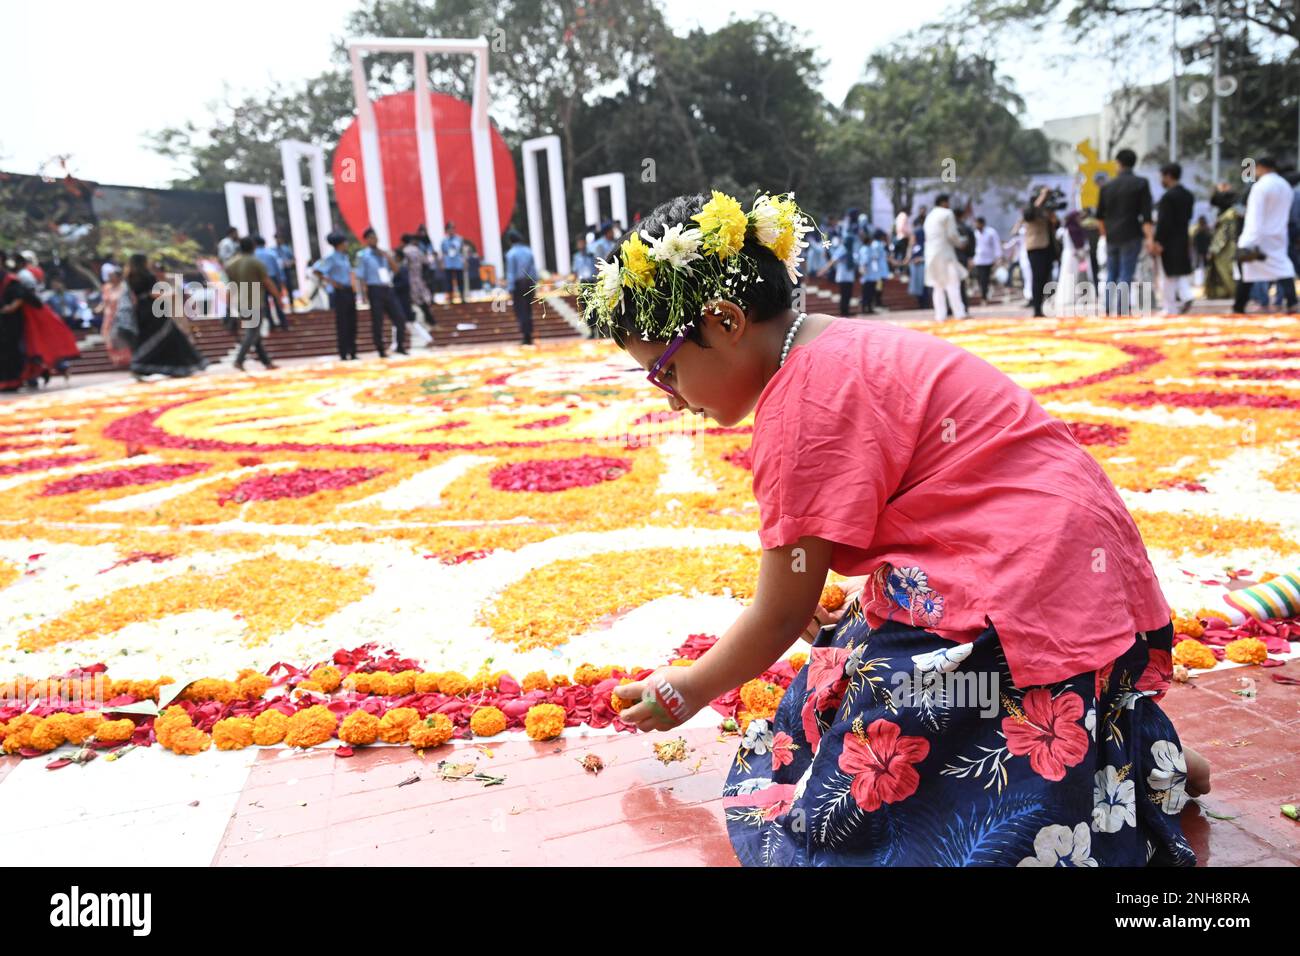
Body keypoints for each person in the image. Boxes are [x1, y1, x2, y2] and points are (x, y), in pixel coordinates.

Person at [576, 189, 1203, 867]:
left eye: (663, 371)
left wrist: (689, 688)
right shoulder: (838, 342)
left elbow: (779, 611)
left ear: (726, 320)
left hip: (1027, 581)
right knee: (853, 630)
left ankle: (1097, 769)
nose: (669, 399)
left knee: (851, 789)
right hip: (1082, 562)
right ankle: (1143, 755)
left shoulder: (798, 406)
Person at [1234, 155, 1297, 314]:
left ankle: (1238, 306)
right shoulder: (1284, 185)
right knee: (1283, 269)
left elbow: (1254, 215)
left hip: (1259, 236)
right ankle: (1292, 301)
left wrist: (1248, 239)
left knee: (1247, 270)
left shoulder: (1261, 186)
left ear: (1261, 167)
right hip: (1278, 234)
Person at [1096, 148, 1154, 313]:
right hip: (1131, 233)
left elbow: (1099, 216)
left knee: (1111, 273)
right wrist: (1149, 238)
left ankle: (1108, 307)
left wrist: (1104, 234)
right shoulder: (1141, 183)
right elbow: (1146, 215)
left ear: (1118, 163)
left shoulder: (1107, 186)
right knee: (1126, 272)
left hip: (1111, 235)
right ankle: (1122, 309)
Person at [222, 237, 279, 372]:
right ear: (253, 247)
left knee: (254, 332)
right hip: (255, 300)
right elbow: (267, 282)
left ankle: (267, 362)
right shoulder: (256, 263)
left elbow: (230, 286)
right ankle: (239, 360)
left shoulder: (231, 264)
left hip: (240, 302)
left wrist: (228, 304)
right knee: (252, 332)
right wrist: (278, 297)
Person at [359, 227, 409, 356]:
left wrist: (387, 257)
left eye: (375, 237)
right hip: (374, 289)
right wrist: (363, 295)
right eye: (371, 238)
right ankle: (380, 349)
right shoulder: (363, 255)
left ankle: (400, 345)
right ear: (366, 240)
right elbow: (361, 276)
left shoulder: (384, 254)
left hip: (388, 288)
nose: (374, 240)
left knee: (400, 318)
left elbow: (396, 270)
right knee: (378, 320)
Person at [1153, 162, 1195, 316]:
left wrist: (1158, 241)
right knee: (1177, 272)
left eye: (1162, 177)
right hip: (1182, 236)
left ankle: (1170, 307)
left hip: (1169, 240)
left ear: (1168, 176)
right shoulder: (1188, 195)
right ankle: (1185, 296)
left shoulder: (1168, 197)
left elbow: (1164, 222)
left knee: (1168, 274)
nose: (1161, 180)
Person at [312, 232, 358, 361]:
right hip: (339, 292)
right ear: (339, 244)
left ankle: (353, 351)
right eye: (345, 242)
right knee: (342, 323)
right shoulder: (331, 258)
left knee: (352, 322)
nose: (347, 244)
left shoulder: (345, 257)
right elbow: (316, 270)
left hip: (349, 291)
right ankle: (343, 353)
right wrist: (332, 282)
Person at [924, 195, 969, 321]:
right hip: (945, 254)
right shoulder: (947, 213)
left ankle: (940, 316)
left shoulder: (929, 216)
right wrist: (961, 243)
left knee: (938, 287)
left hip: (931, 255)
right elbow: (952, 235)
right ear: (943, 202)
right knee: (953, 284)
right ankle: (959, 313)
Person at [1023, 187, 1059, 317]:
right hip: (1036, 248)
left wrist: (1053, 218)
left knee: (1046, 278)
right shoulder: (1030, 208)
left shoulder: (1047, 210)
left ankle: (1045, 306)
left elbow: (1056, 224)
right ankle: (1037, 309)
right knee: (1037, 278)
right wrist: (1042, 196)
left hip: (1048, 248)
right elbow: (1029, 215)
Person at [1205, 185, 1241, 300]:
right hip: (1228, 246)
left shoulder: (1228, 216)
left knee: (1226, 270)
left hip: (1226, 248)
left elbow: (1223, 236)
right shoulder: (1232, 213)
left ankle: (1232, 291)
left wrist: (1213, 249)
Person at [504, 229, 539, 346]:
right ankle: (529, 334)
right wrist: (535, 284)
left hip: (519, 284)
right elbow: (533, 270)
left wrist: (510, 287)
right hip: (529, 282)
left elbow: (511, 273)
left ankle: (526, 335)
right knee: (528, 310)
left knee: (520, 310)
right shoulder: (528, 251)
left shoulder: (511, 254)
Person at [97, 265, 133, 369]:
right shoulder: (106, 287)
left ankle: (127, 360)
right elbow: (104, 302)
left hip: (122, 316)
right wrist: (98, 309)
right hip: (109, 317)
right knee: (109, 339)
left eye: (112, 276)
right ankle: (116, 360)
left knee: (122, 338)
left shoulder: (125, 287)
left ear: (118, 277)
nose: (109, 278)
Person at [401, 233, 437, 330]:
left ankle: (417, 320)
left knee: (414, 301)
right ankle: (428, 320)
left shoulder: (404, 251)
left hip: (409, 280)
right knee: (422, 300)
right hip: (419, 278)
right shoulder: (417, 250)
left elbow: (403, 266)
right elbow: (427, 262)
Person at [253, 236, 289, 330]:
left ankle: (271, 325)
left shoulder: (253, 255)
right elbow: (279, 268)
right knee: (277, 301)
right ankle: (284, 324)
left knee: (265, 304)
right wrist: (282, 280)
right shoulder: (272, 253)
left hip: (259, 280)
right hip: (273, 279)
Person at [856, 229, 890, 315]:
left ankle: (869, 307)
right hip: (867, 275)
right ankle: (865, 308)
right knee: (866, 293)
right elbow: (864, 261)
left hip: (872, 274)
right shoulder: (865, 249)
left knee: (871, 292)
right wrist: (863, 269)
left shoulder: (870, 248)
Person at [826, 231, 858, 317]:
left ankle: (846, 310)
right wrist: (824, 270)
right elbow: (833, 260)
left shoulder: (852, 250)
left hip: (850, 277)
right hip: (842, 276)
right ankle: (843, 312)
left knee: (849, 294)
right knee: (844, 295)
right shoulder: (842, 249)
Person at [972, 216, 1000, 303]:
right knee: (979, 278)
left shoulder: (991, 232)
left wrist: (998, 257)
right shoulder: (974, 233)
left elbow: (996, 245)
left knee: (985, 278)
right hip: (978, 260)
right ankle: (984, 294)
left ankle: (984, 297)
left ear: (982, 224)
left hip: (988, 260)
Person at [440, 223, 466, 304]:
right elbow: (443, 253)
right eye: (449, 229)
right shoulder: (444, 241)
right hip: (448, 263)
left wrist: (464, 261)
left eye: (452, 229)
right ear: (446, 230)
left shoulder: (459, 239)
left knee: (460, 280)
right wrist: (442, 263)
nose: (451, 231)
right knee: (449, 281)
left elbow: (462, 251)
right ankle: (451, 298)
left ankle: (462, 297)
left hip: (458, 262)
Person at [1191, 216, 1213, 282]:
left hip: (1199, 249)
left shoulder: (1197, 230)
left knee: (1198, 264)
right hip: (1204, 249)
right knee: (1205, 264)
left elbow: (1194, 241)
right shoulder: (1207, 230)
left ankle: (1199, 280)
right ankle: (1205, 279)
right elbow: (1210, 240)